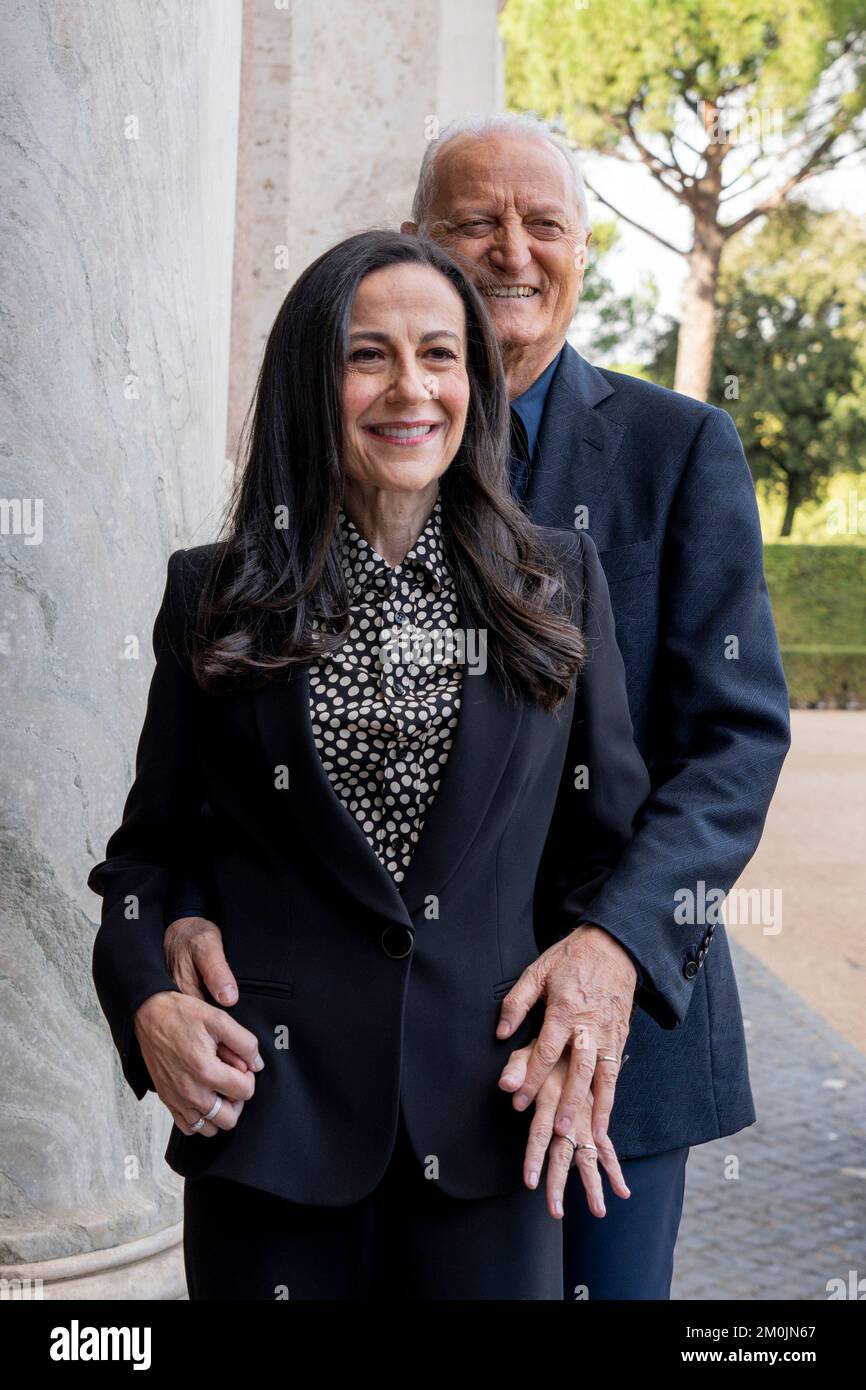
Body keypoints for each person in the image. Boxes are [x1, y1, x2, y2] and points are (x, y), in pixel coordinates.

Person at [165, 113, 791, 1300]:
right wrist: (179, 916)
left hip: (612, 1039)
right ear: (420, 247)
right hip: (351, 1078)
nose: (513, 249)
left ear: (581, 251)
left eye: (543, 223)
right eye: (475, 222)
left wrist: (613, 947)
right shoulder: (333, 472)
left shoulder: (680, 448)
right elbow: (229, 780)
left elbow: (734, 742)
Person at [87, 229, 653, 1301]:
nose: (410, 388)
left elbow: (607, 852)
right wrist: (145, 999)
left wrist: (609, 956)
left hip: (492, 1133)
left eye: (439, 355)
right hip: (268, 1129)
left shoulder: (558, 583)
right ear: (312, 378)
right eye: (366, 355)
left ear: (472, 383)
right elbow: (145, 862)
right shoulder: (210, 595)